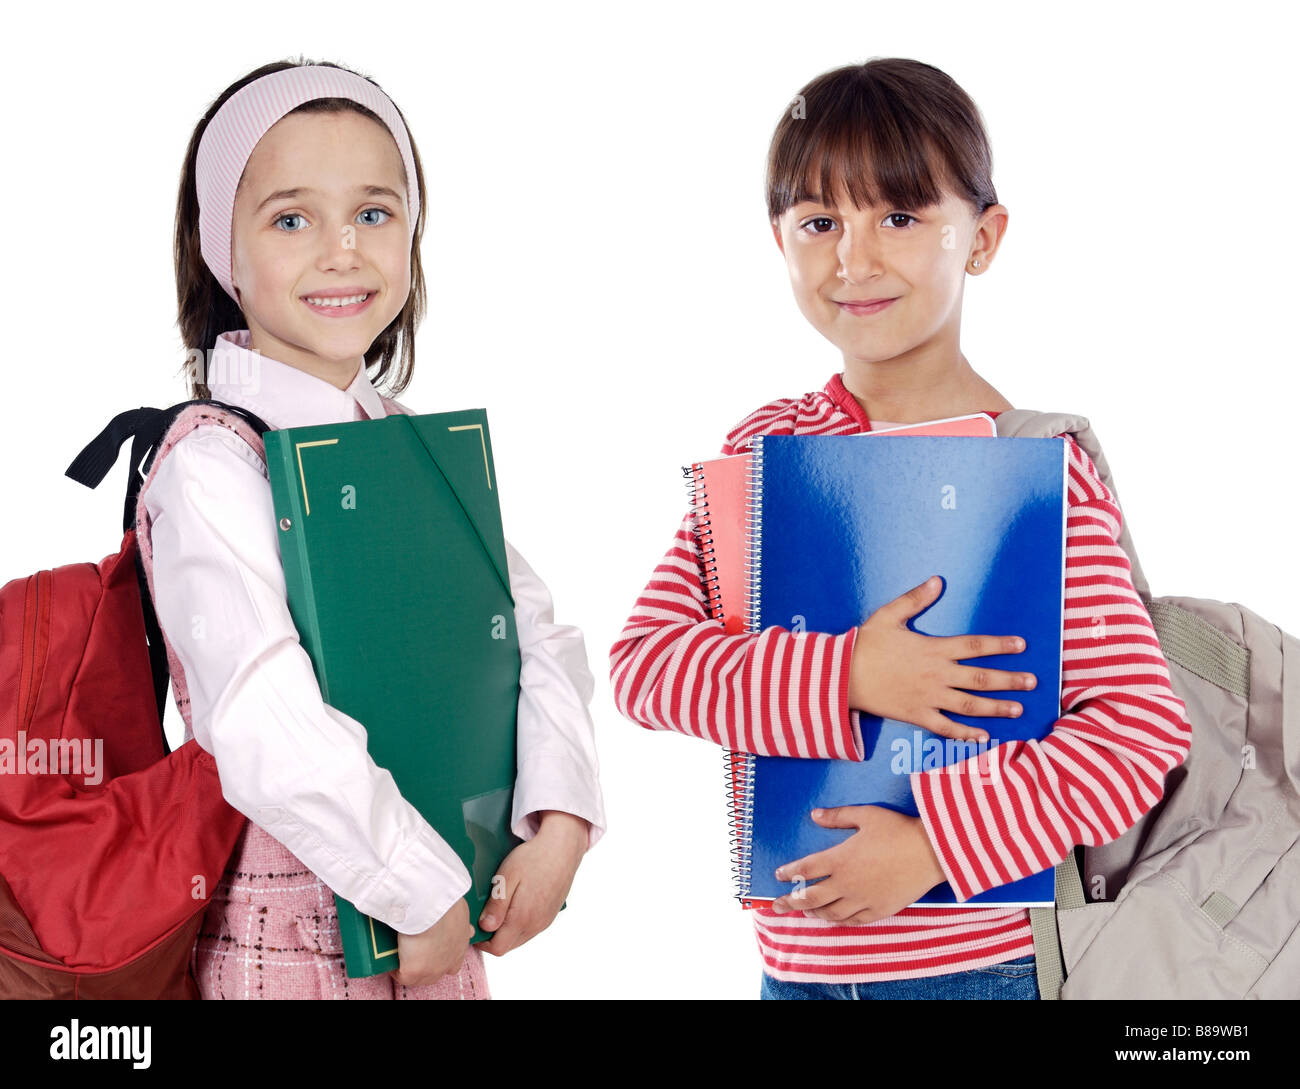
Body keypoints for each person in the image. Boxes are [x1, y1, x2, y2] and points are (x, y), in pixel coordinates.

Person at [608, 57, 1192, 1000]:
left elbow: (1137, 736)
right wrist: (849, 674)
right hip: (790, 972)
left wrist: (932, 845)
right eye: (820, 223)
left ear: (984, 237)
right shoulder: (767, 451)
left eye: (902, 217)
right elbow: (648, 665)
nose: (856, 258)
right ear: (779, 239)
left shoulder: (1038, 466)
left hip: (982, 972)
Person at [143, 57, 606, 999]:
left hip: (443, 930)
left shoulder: (414, 446)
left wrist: (560, 820)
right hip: (289, 947)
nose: (341, 250)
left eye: (373, 212)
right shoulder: (210, 461)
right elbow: (262, 710)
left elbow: (532, 632)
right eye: (290, 218)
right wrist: (413, 882)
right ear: (219, 247)